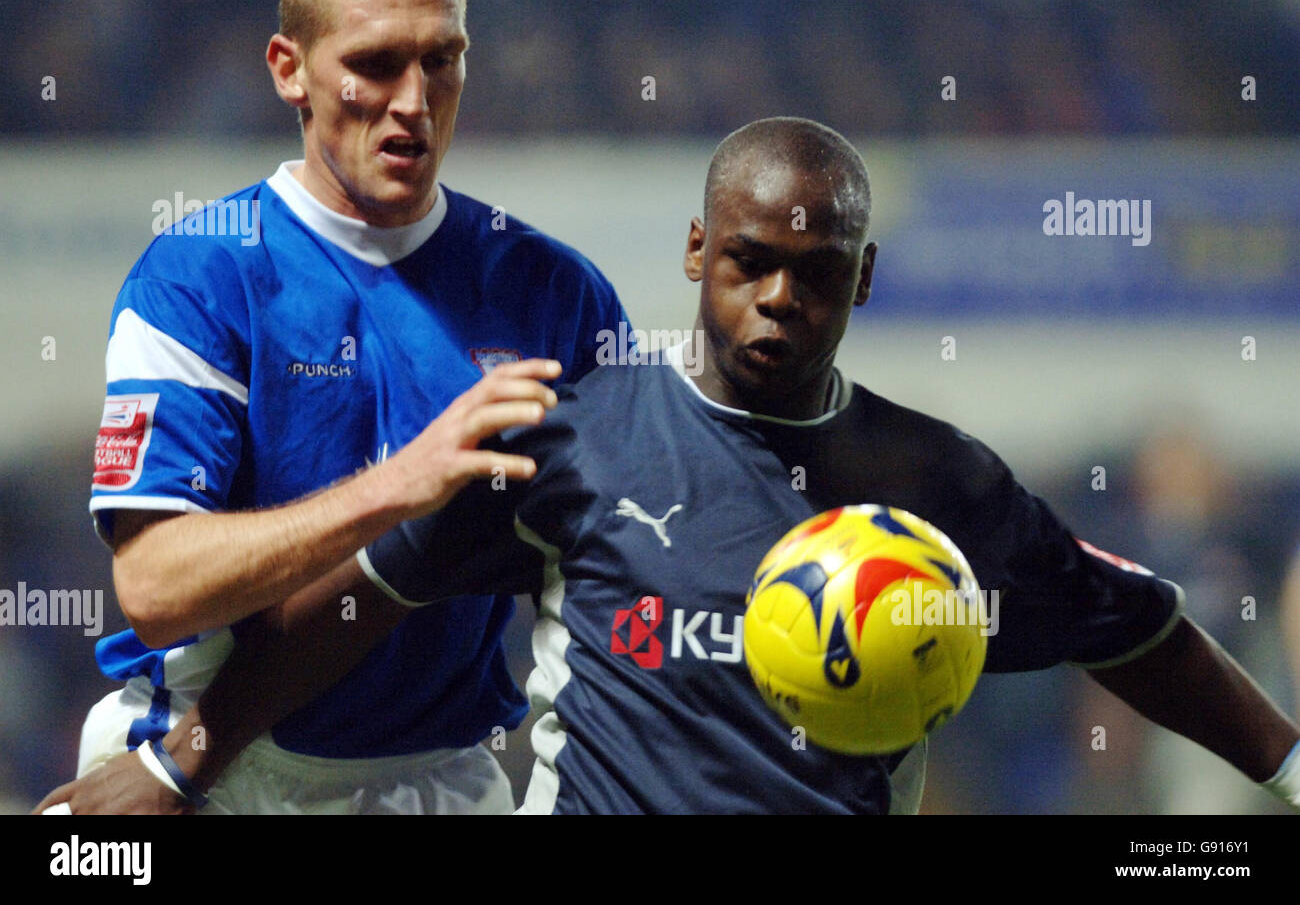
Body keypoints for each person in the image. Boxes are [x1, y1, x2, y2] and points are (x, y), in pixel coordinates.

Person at [42, 117, 1299, 815]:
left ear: (862, 278)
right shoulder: (571, 438)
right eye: (748, 261)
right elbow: (368, 596)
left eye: (814, 275)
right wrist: (175, 763)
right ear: (697, 250)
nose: (775, 302)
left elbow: (1137, 629)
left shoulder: (938, 483)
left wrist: (1286, 768)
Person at [39, 0, 629, 815]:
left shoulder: (555, 292)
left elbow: (622, 560)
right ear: (290, 71)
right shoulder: (202, 274)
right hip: (189, 773)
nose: (414, 100)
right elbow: (154, 586)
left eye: (442, 59)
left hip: (443, 779)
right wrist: (406, 484)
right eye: (375, 64)